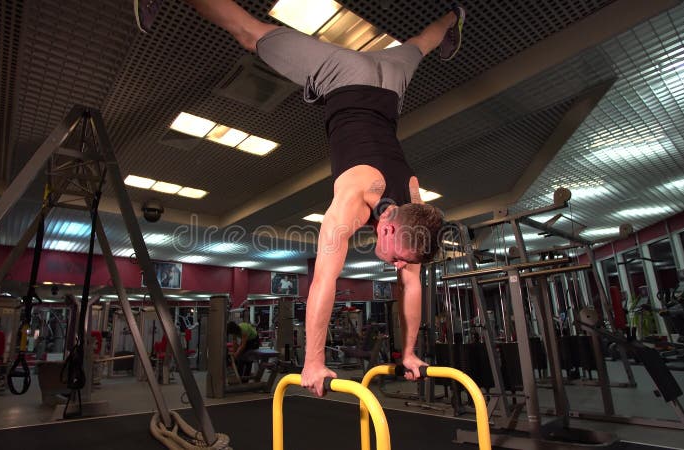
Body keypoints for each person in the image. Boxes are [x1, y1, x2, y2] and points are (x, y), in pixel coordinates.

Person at [136, 0, 463, 396]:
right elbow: (323, 281)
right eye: (398, 258)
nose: (397, 265)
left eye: (401, 262)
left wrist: (409, 353)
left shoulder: (414, 203)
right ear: (390, 228)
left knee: (420, 45)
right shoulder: (351, 205)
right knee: (250, 32)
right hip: (345, 77)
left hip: (390, 80)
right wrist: (314, 360)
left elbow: (412, 286)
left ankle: (453, 15)